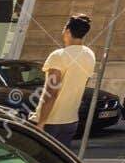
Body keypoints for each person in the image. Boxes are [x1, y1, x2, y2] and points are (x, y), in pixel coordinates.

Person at [34, 14, 96, 148]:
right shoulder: (89, 55)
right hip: (71, 120)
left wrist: (40, 123)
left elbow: (51, 92)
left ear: (67, 31)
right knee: (56, 162)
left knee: (35, 162)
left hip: (51, 121)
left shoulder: (58, 56)